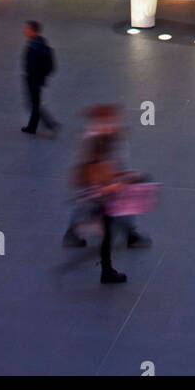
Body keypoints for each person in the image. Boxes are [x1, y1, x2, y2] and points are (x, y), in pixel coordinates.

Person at [63, 105, 152, 264]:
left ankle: (74, 233)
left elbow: (114, 162)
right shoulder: (94, 139)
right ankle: (128, 237)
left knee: (96, 207)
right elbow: (95, 169)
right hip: (99, 183)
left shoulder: (110, 136)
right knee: (111, 209)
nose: (114, 123)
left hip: (103, 181)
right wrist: (116, 181)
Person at [21, 21, 59, 136]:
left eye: (27, 29)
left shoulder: (34, 46)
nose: (25, 30)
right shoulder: (42, 42)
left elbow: (32, 65)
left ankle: (50, 124)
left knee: (33, 104)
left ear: (33, 30)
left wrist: (32, 74)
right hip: (38, 79)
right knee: (34, 103)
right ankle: (32, 127)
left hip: (33, 79)